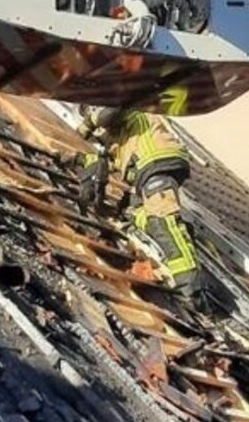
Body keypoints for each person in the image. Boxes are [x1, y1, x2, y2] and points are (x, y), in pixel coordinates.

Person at [78, 89, 201, 297]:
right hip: (143, 173)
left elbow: (110, 112)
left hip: (155, 160)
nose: (92, 113)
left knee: (162, 219)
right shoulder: (117, 136)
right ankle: (182, 234)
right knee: (132, 214)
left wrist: (84, 127)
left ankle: (190, 286)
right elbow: (101, 166)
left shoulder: (127, 107)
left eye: (91, 108)